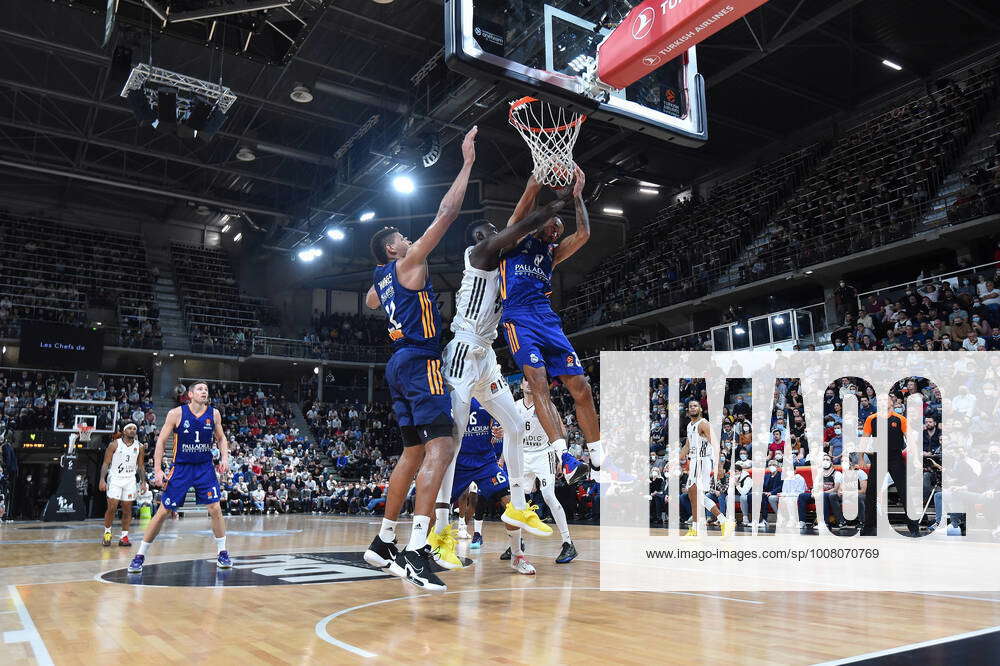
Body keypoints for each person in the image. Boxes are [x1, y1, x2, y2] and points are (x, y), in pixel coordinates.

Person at [428, 187, 576, 568]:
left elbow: (531, 242)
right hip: (463, 348)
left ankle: (519, 507)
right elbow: (519, 226)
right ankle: (441, 535)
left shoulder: (508, 267)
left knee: (512, 424)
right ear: (480, 239)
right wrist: (551, 207)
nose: (497, 236)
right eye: (490, 232)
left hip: (487, 355)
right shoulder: (478, 255)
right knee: (453, 442)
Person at [362, 127, 477, 592]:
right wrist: (466, 162)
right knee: (442, 448)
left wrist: (385, 283)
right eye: (403, 238)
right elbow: (447, 214)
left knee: (412, 451)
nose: (411, 239)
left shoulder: (380, 277)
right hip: (421, 359)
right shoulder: (407, 264)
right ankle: (415, 550)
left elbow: (371, 300)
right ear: (394, 250)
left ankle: (384, 541)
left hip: (397, 364)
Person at [500, 170, 603, 471]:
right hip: (518, 318)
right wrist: (536, 181)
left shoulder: (552, 254)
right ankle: (565, 457)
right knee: (538, 382)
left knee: (581, 385)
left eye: (560, 229)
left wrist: (578, 195)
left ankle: (598, 458)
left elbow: (583, 235)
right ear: (539, 223)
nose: (557, 231)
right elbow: (522, 211)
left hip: (547, 319)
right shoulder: (513, 242)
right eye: (554, 225)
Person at [127, 381, 231, 573]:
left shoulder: (214, 414)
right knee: (163, 512)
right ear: (190, 394)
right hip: (181, 468)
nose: (204, 392)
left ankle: (222, 553)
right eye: (200, 389)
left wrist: (224, 457)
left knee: (215, 508)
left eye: (206, 390)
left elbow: (222, 438)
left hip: (205, 468)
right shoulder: (176, 413)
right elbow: (161, 442)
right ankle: (139, 555)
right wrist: (158, 470)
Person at [448, 399, 536, 575]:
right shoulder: (453, 394)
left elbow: (501, 419)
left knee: (509, 501)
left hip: (485, 462)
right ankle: (421, 548)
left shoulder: (486, 394)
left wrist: (499, 427)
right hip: (458, 461)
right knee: (437, 504)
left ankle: (517, 555)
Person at [509, 381, 578, 563]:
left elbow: (561, 431)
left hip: (543, 453)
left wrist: (560, 457)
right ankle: (517, 543)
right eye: (525, 380)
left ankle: (568, 543)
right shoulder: (514, 406)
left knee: (548, 495)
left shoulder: (547, 405)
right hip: (523, 454)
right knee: (517, 499)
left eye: (533, 380)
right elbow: (509, 432)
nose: (529, 383)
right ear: (521, 385)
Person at [862, 396, 920, 537]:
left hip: (895, 458)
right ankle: (869, 527)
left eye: (885, 400)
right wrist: (860, 458)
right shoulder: (872, 419)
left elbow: (911, 440)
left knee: (904, 492)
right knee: (870, 493)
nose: (883, 402)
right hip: (878, 458)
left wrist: (917, 458)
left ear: (891, 402)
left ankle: (913, 528)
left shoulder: (900, 419)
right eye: (880, 401)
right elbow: (864, 439)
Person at [681, 400, 734, 537]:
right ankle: (723, 521)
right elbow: (687, 445)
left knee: (694, 494)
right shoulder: (689, 425)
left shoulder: (703, 424)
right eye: (690, 406)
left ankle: (696, 529)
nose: (692, 408)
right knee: (695, 496)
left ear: (700, 409)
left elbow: (716, 444)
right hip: (694, 461)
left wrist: (720, 466)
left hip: (703, 461)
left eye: (695, 406)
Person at [99, 423, 146, 547]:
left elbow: (141, 466)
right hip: (115, 478)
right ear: (124, 431)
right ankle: (107, 533)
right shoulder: (114, 444)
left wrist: (143, 483)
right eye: (130, 428)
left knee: (127, 509)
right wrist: (102, 480)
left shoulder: (140, 447)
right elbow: (105, 463)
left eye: (134, 429)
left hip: (130, 479)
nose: (132, 431)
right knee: (112, 507)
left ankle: (124, 537)